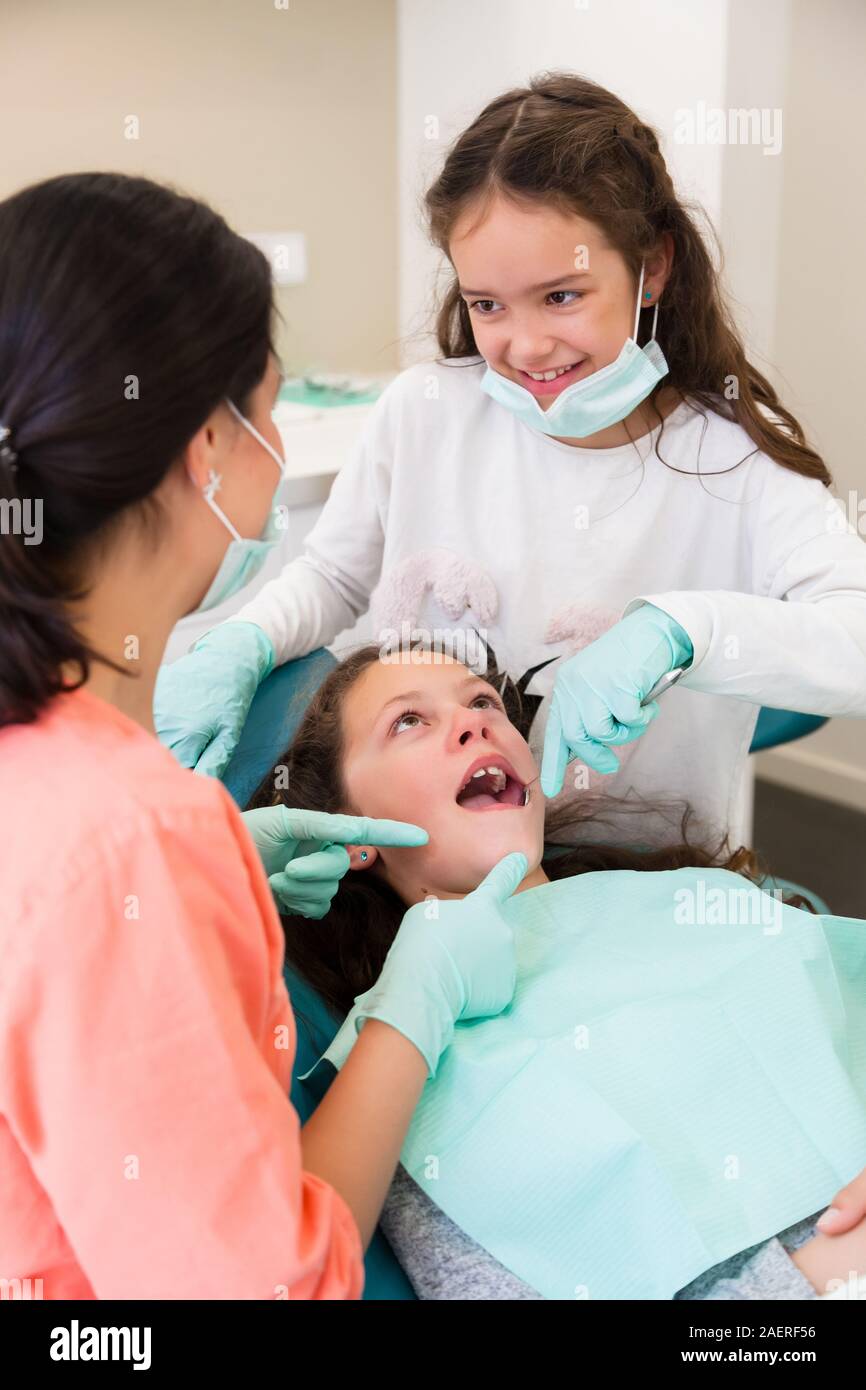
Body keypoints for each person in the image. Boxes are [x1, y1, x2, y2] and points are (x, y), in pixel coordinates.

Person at [0, 172, 525, 1298]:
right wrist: (406, 1015)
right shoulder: (126, 842)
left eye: (478, 705)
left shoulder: (107, 819)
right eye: (272, 405)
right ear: (207, 443)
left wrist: (212, 865)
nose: (474, 722)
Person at [155, 69, 866, 866]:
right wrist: (244, 640)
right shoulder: (425, 411)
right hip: (431, 869)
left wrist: (681, 631)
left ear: (652, 268)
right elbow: (335, 582)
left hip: (641, 878)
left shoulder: (731, 453)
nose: (524, 346)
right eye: (488, 304)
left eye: (562, 296)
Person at [248, 642, 866, 1301]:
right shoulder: (403, 1071)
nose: (474, 721)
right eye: (408, 721)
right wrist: (826, 1278)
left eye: (482, 700)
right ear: (348, 832)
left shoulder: (696, 900)